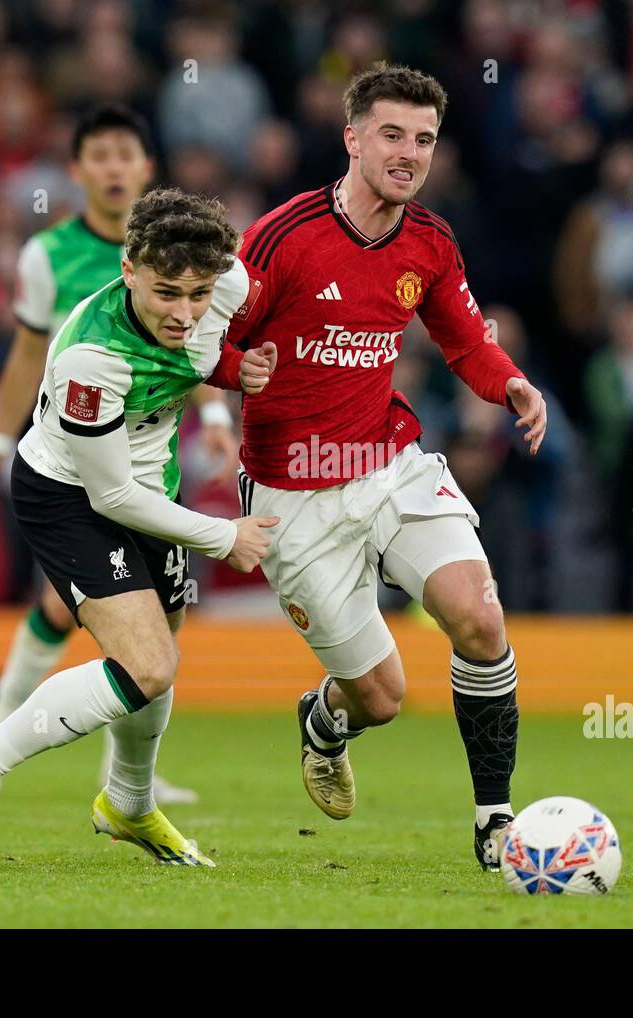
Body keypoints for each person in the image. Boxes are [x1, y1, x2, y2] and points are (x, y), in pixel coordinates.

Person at [208, 64, 548, 869]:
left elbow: (465, 339)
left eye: (424, 139)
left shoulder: (429, 241)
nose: (409, 153)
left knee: (480, 616)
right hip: (292, 495)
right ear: (352, 137)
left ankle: (495, 820)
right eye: (392, 135)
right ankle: (326, 721)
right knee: (382, 699)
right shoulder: (283, 237)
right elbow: (205, 334)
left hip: (388, 462)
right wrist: (232, 373)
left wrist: (512, 385)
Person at [0, 188, 278, 866]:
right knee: (147, 664)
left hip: (151, 491)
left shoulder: (225, 282)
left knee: (158, 665)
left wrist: (235, 370)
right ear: (130, 269)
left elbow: (196, 354)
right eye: (167, 293)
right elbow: (110, 496)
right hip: (71, 497)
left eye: (198, 295)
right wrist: (225, 536)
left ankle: (129, 806)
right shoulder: (91, 359)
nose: (185, 311)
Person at [0, 105, 237, 805]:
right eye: (98, 156)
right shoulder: (48, 259)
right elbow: (26, 357)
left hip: (146, 465)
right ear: (78, 172)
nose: (113, 168)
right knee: (73, 612)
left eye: (125, 155)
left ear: (145, 168)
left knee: (157, 638)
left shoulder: (200, 266)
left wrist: (217, 410)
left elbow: (189, 351)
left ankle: (129, 784)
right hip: (75, 464)